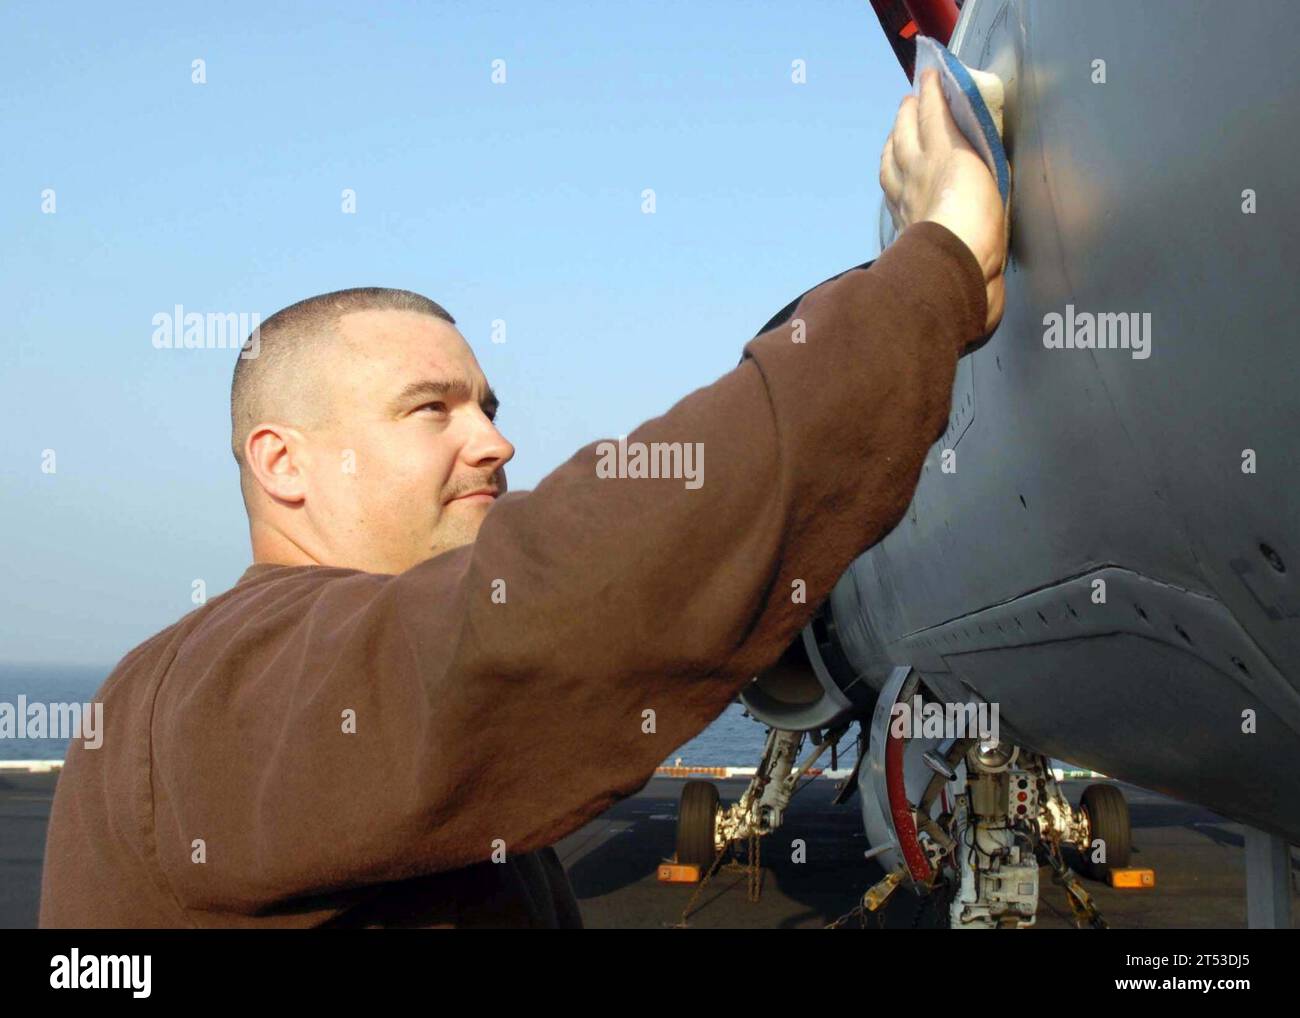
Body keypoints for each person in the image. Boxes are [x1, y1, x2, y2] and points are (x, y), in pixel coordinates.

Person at [40, 69, 1007, 928]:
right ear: (282, 464)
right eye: (432, 409)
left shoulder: (341, 688)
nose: (496, 443)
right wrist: (932, 270)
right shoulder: (210, 691)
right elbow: (549, 603)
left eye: (489, 407)